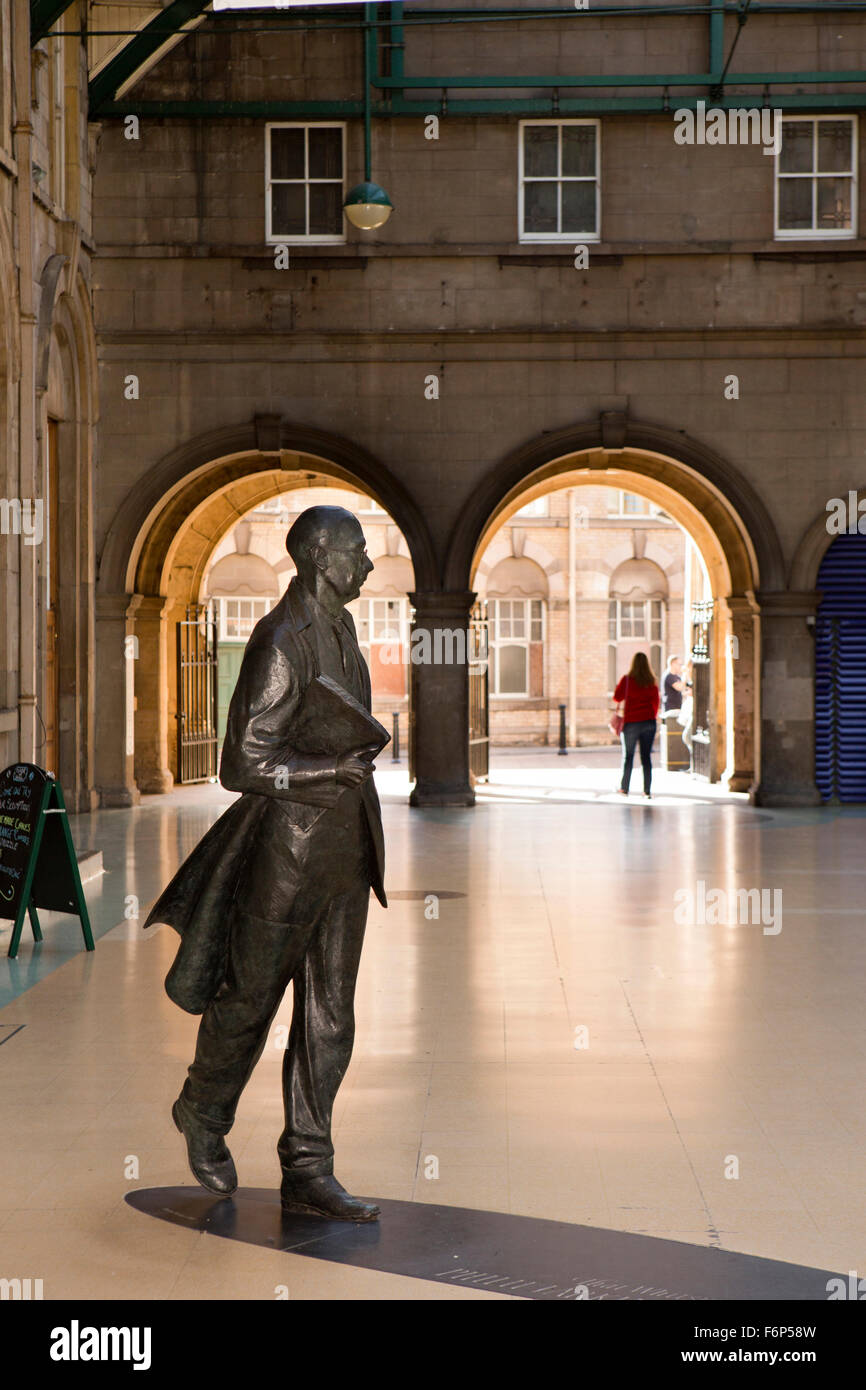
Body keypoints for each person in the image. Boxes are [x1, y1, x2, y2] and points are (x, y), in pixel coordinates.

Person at [143, 505, 385, 1222]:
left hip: (344, 849)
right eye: (357, 550)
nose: (367, 563)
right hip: (287, 853)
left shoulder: (341, 628)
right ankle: (203, 1109)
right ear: (320, 556)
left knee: (330, 1017)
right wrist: (326, 770)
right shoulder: (281, 639)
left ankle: (309, 1166)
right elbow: (241, 762)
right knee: (250, 998)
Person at [613, 651, 660, 798]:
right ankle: (647, 791)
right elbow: (656, 703)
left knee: (628, 756)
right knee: (646, 758)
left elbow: (616, 697)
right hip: (648, 722)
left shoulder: (627, 680)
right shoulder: (651, 681)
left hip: (631, 722)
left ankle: (624, 788)